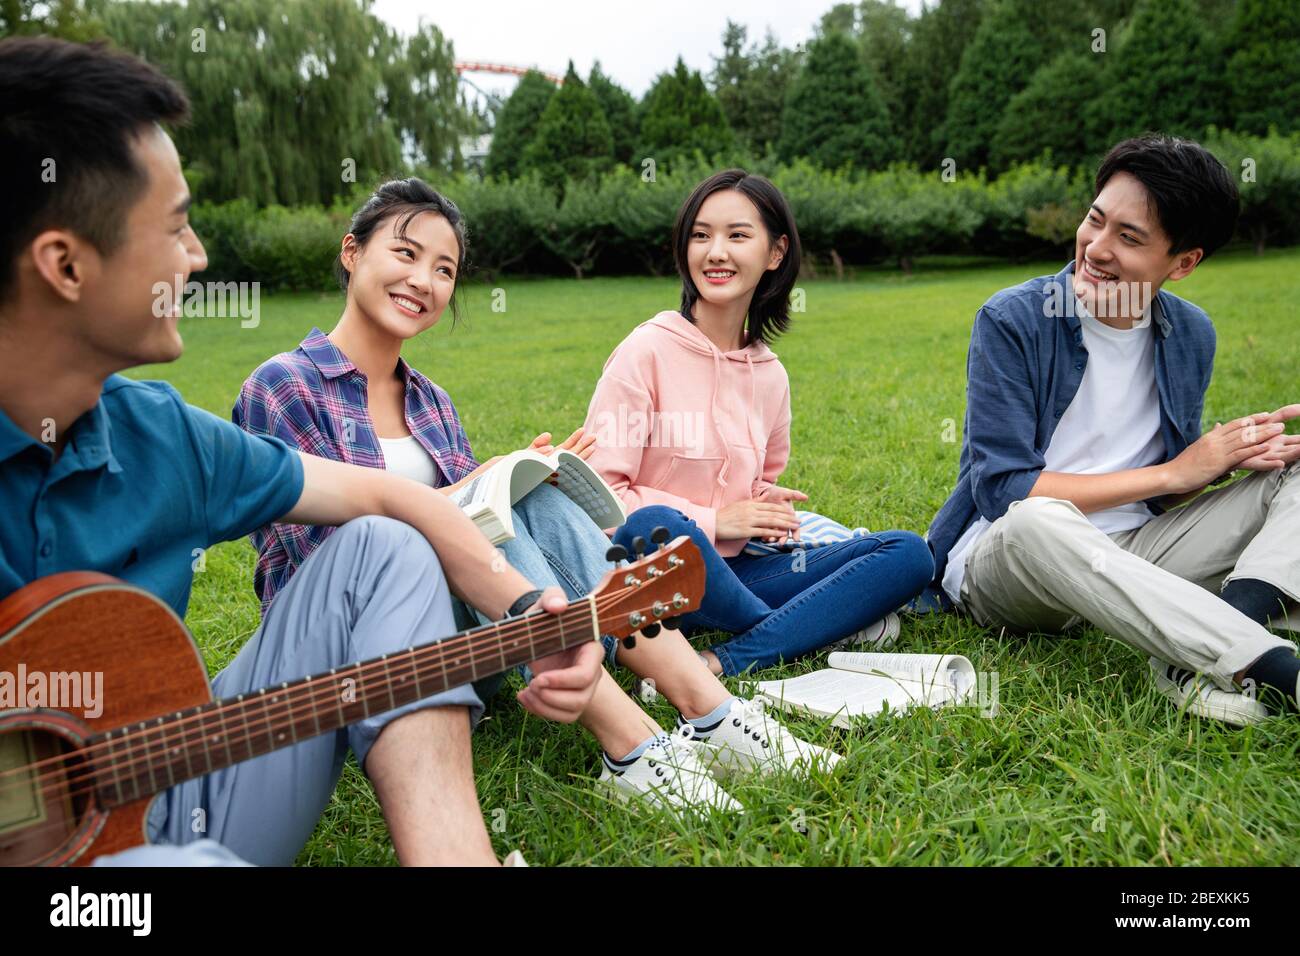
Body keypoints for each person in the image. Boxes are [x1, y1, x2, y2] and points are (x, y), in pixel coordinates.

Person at [0, 36, 605, 866]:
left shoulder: (161, 436)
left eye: (447, 269)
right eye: (175, 228)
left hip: (172, 788)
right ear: (65, 264)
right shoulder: (283, 383)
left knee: (384, 547)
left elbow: (399, 499)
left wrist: (524, 611)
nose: (199, 257)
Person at [233, 178, 841, 816]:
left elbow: (475, 529)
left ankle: (710, 710)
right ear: (352, 252)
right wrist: (470, 490)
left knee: (535, 500)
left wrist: (519, 475)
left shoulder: (430, 401)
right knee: (496, 507)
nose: (424, 280)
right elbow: (328, 565)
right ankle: (633, 743)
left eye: (445, 269)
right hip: (353, 655)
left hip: (459, 641)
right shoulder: (283, 386)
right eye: (406, 254)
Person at [922, 134, 1300, 726]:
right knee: (1038, 518)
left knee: (1294, 469)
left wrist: (1220, 461)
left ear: (1183, 262)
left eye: (1128, 238)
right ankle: (1269, 665)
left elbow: (1160, 495)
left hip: (1138, 556)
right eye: (1095, 221)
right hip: (1015, 561)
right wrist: (1179, 470)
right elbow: (1003, 492)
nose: (1095, 249)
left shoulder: (1191, 334)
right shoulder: (1012, 320)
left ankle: (1224, 628)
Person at [583, 169, 935, 678]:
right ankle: (804, 625)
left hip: (744, 573)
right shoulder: (646, 351)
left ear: (775, 254)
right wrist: (715, 520)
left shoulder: (770, 375)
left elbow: (757, 486)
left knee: (907, 553)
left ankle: (723, 659)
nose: (715, 252)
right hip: (664, 570)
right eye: (700, 235)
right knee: (652, 527)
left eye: (737, 235)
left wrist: (766, 507)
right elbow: (601, 500)